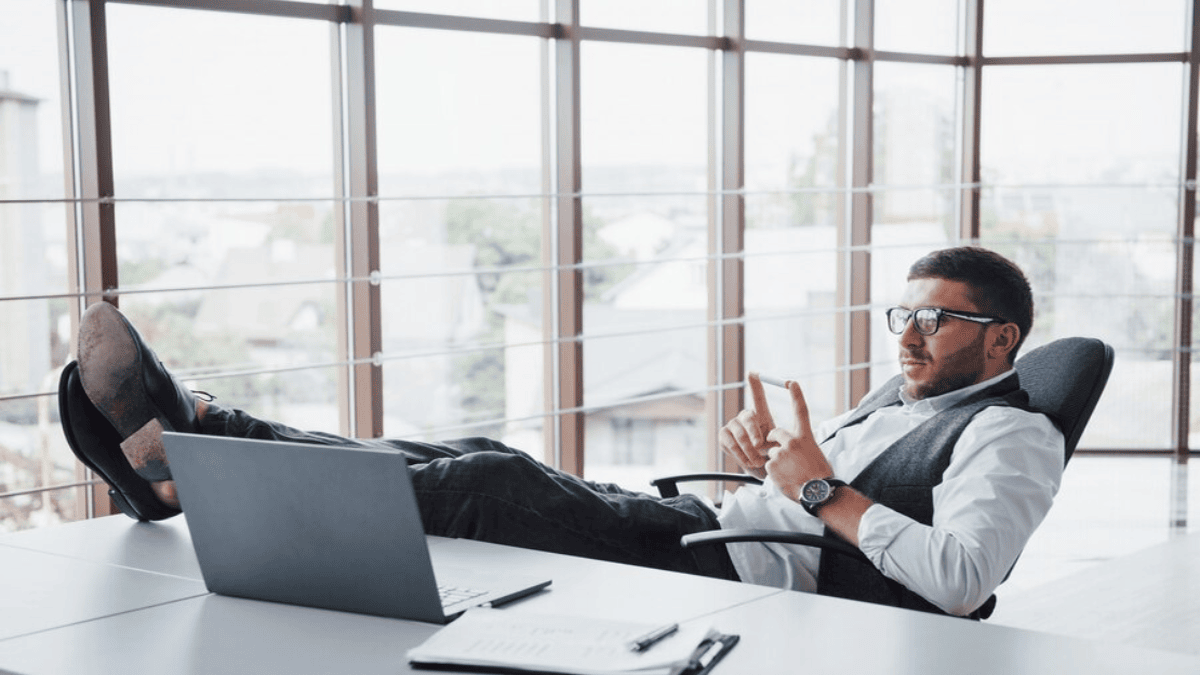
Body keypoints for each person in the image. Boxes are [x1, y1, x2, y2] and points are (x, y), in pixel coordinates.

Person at [57, 246, 1062, 619]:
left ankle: (190, 447)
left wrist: (812, 490)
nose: (911, 333)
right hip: (706, 522)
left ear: (1001, 337)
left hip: (724, 570)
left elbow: (965, 578)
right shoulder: (904, 404)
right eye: (906, 314)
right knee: (445, 457)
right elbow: (813, 491)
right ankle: (189, 449)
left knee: (484, 480)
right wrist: (773, 467)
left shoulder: (1013, 438)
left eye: (937, 318)